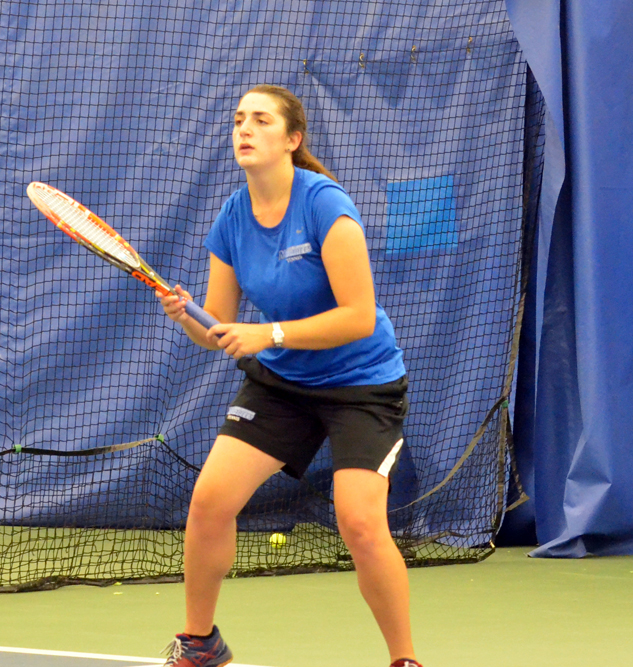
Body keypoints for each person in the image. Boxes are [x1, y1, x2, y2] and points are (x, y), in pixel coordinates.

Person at [158, 84, 422, 667]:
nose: (244, 130)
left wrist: (269, 333)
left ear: (292, 139)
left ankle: (404, 659)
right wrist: (187, 317)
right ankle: (200, 643)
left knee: (358, 521)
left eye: (260, 120)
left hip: (361, 383)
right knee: (209, 503)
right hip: (283, 384)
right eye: (237, 121)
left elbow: (357, 316)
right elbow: (218, 328)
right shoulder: (232, 215)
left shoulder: (326, 205)